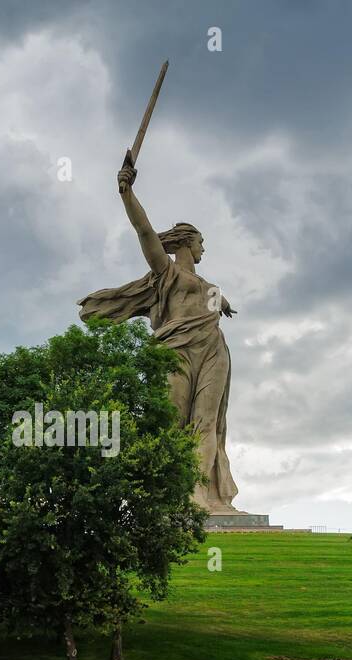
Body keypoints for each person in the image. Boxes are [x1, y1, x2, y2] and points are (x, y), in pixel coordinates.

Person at [78, 159, 240, 514]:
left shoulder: (208, 284)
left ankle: (200, 496)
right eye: (200, 242)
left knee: (207, 422)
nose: (203, 249)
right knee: (172, 420)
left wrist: (222, 301)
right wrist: (127, 193)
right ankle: (171, 493)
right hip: (175, 351)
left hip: (214, 350)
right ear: (186, 242)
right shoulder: (166, 272)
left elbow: (212, 299)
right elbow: (144, 231)